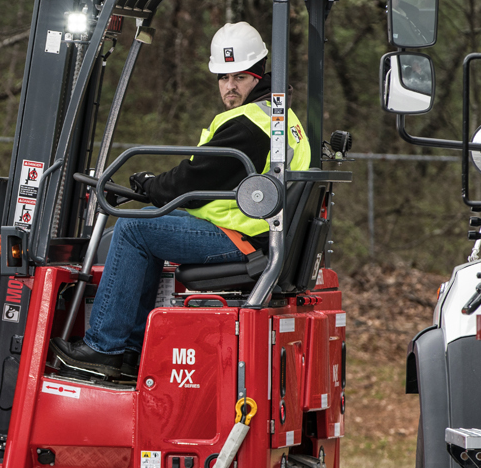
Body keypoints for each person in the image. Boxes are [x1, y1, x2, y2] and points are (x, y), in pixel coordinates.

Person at [50, 21, 310, 381]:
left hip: (239, 239)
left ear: (258, 75)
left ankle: (105, 347)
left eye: (240, 78)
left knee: (132, 227)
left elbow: (197, 176)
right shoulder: (280, 119)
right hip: (252, 233)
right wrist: (156, 191)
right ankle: (130, 348)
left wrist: (154, 187)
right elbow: (208, 176)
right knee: (145, 221)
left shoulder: (248, 124)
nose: (230, 87)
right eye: (223, 78)